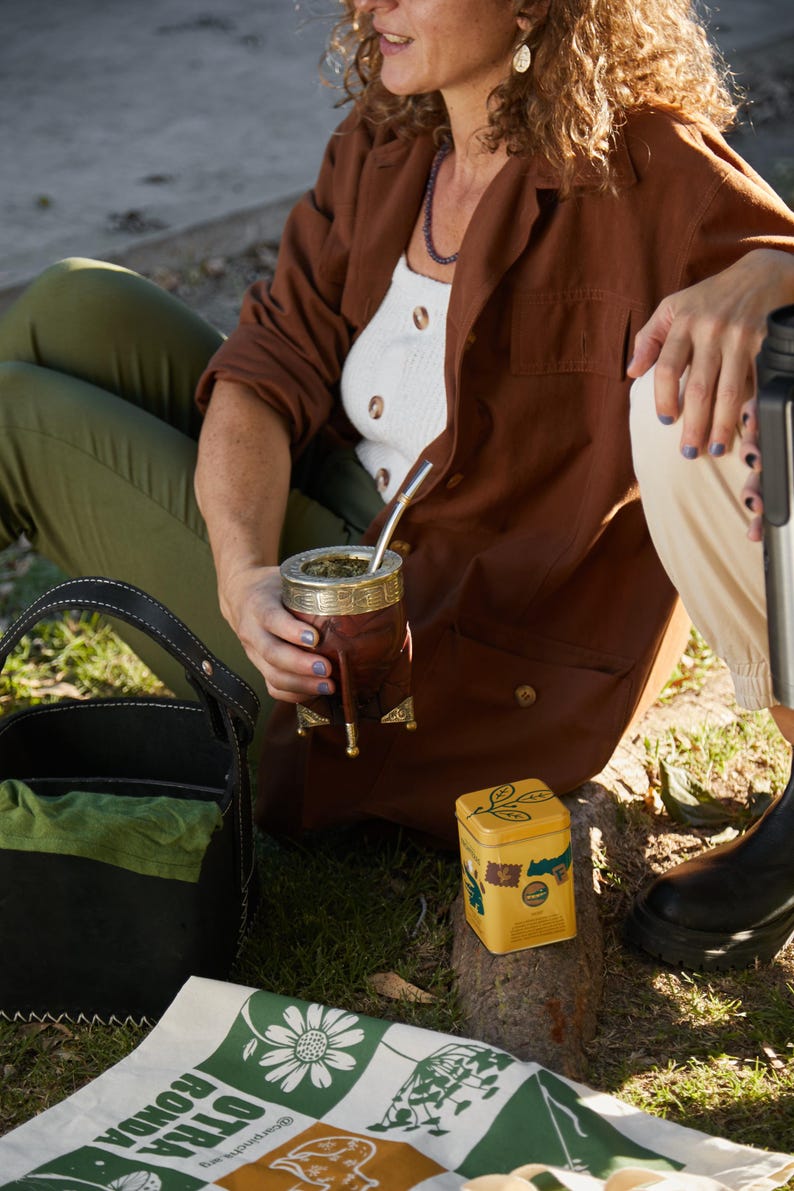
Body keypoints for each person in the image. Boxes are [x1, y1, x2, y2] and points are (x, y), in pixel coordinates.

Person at [0, 0, 793, 969]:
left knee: (11, 413)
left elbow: (778, 258)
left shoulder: (639, 166)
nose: (369, 4)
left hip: (419, 663)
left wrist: (761, 278)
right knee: (65, 305)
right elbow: (265, 363)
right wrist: (242, 577)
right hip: (313, 582)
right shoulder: (387, 143)